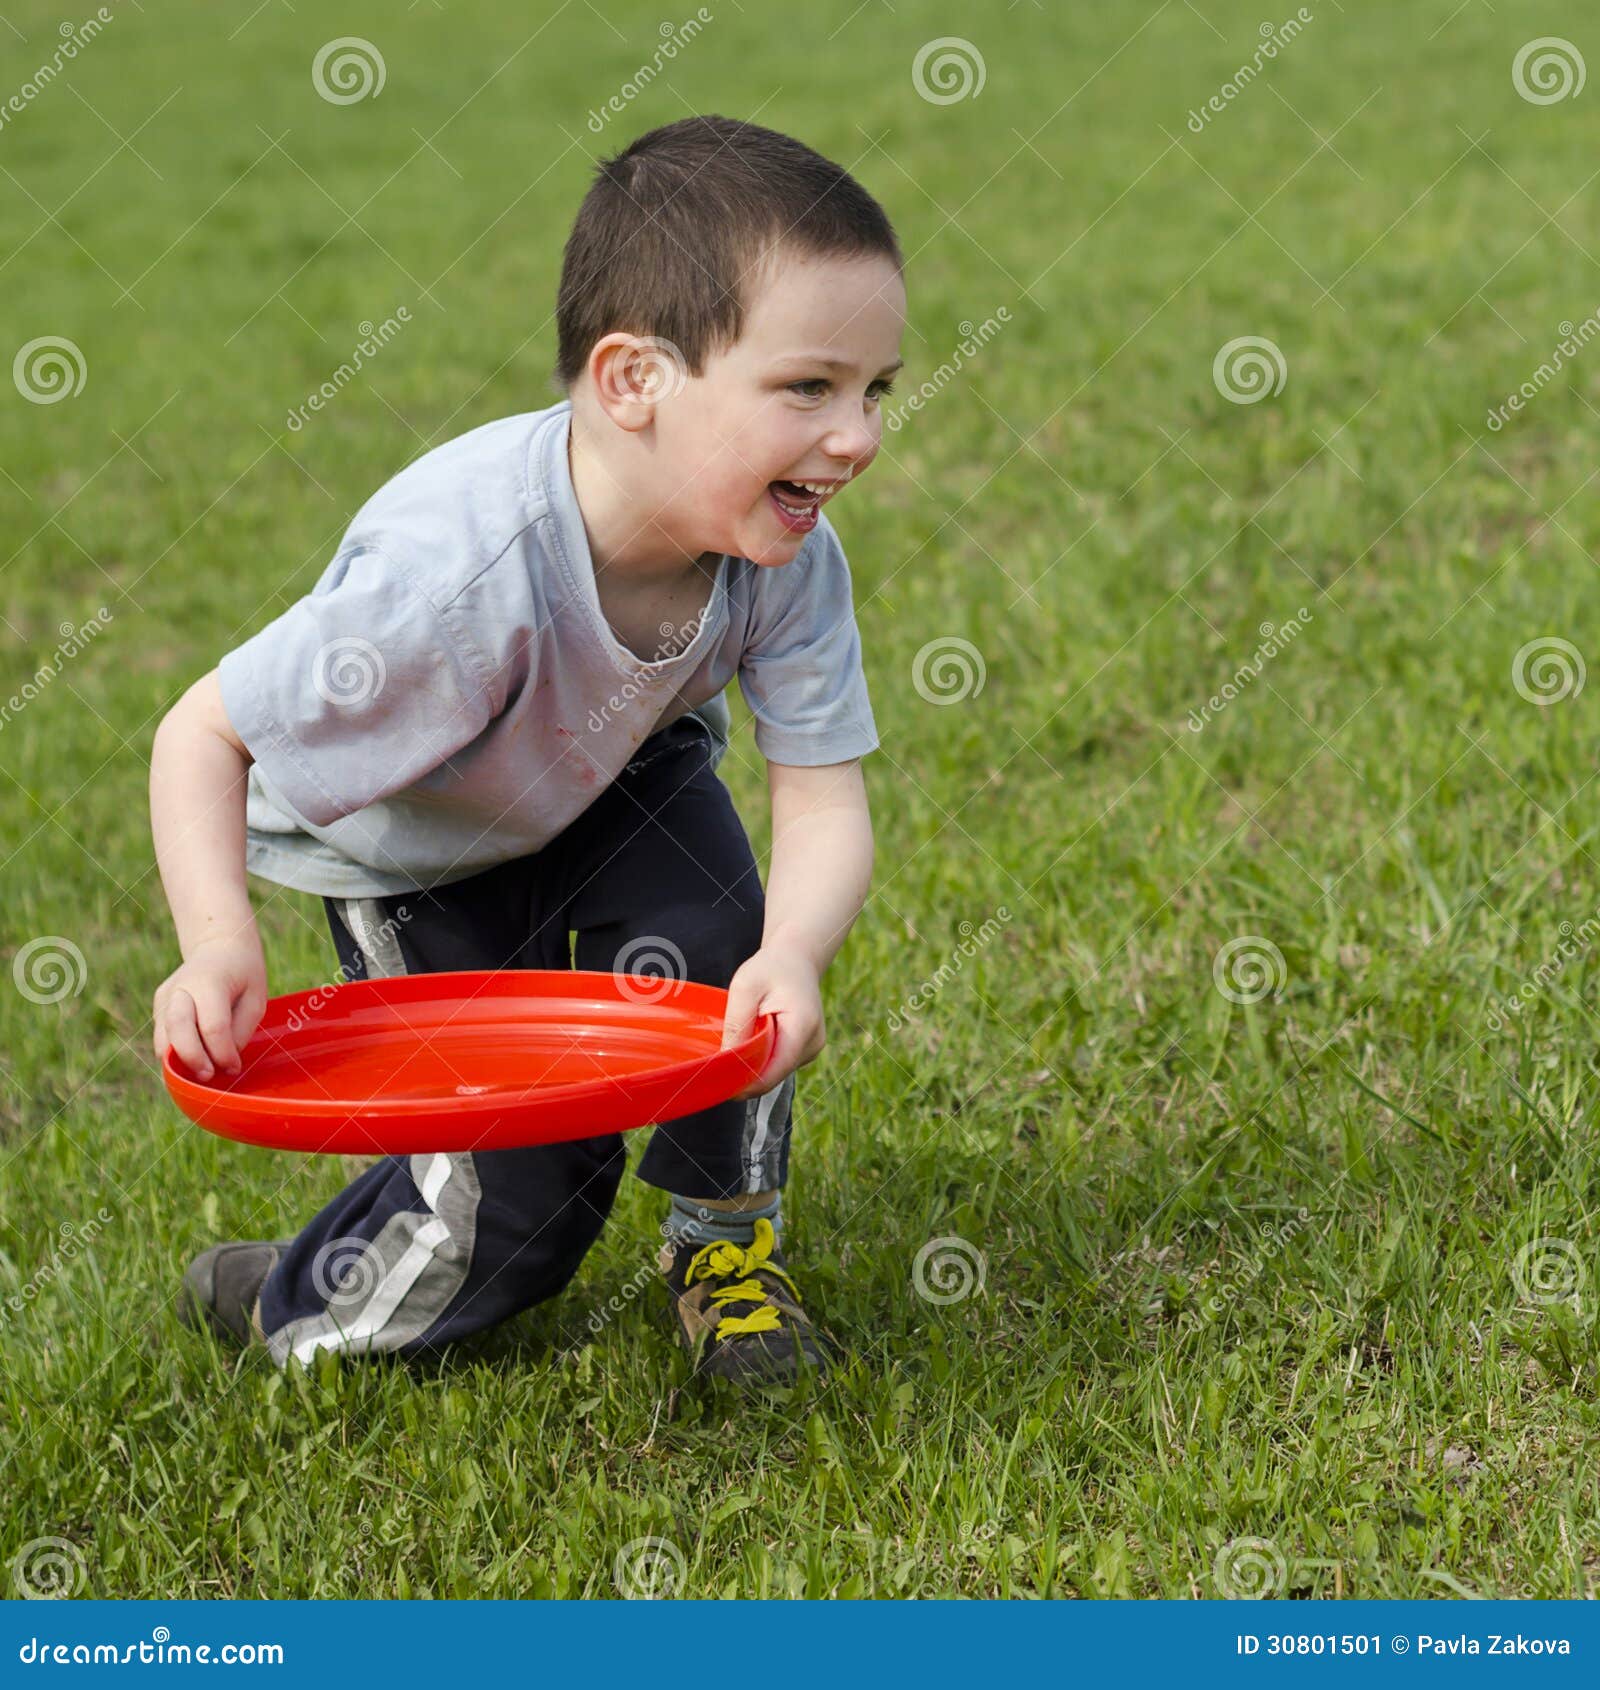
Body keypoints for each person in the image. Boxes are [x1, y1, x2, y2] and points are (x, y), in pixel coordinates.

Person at [148, 114, 906, 1387]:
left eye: (874, 391)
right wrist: (221, 944)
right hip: (419, 841)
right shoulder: (455, 579)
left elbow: (822, 799)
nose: (860, 437)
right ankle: (294, 1308)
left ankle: (724, 1254)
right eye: (808, 389)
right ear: (633, 382)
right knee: (519, 1204)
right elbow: (202, 729)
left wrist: (791, 952)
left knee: (725, 947)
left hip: (612, 778)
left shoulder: (785, 559)